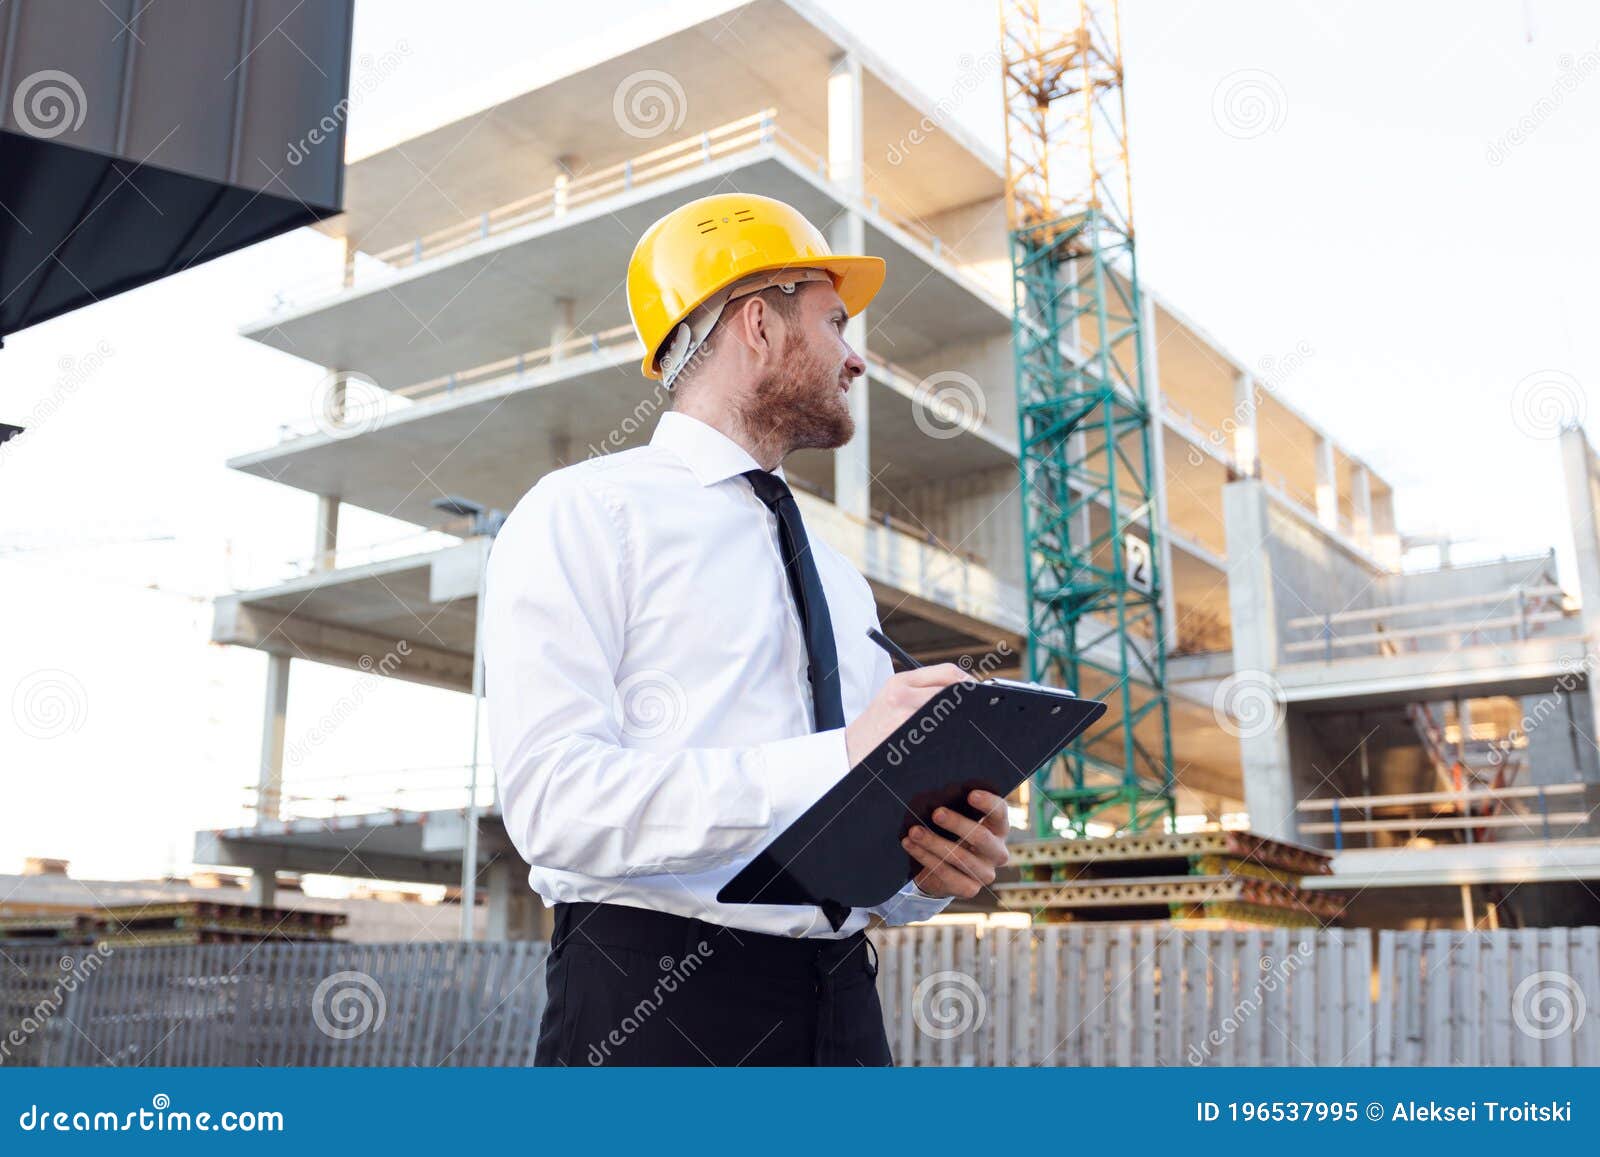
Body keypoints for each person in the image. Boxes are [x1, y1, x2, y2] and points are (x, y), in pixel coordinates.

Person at [483, 193, 1010, 1066]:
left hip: (842, 1002)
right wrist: (834, 761)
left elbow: (861, 818)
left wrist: (929, 867)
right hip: (654, 1009)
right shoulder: (583, 513)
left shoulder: (837, 579)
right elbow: (553, 804)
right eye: (836, 322)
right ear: (758, 323)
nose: (858, 357)